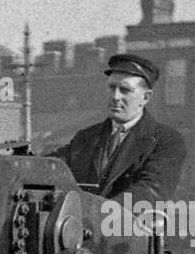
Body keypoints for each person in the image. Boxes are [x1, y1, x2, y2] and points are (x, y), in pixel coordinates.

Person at [50, 53, 186, 206]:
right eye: (111, 87)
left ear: (146, 98)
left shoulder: (166, 141)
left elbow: (151, 191)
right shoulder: (85, 138)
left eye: (125, 90)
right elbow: (51, 166)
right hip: (86, 227)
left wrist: (98, 212)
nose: (115, 96)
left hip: (134, 227)